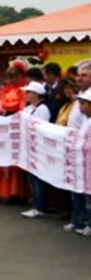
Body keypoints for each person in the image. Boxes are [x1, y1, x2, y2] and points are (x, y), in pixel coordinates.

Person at [0, 61, 29, 202]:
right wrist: (3, 110)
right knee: (4, 157)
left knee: (15, 159)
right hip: (5, 126)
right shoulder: (6, 90)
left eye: (14, 77)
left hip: (16, 126)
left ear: (21, 76)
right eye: (10, 77)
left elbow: (21, 107)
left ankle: (18, 192)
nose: (12, 80)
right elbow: (1, 105)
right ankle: (5, 192)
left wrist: (8, 109)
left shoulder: (23, 90)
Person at [20, 81, 51, 219]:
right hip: (29, 147)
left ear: (36, 94)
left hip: (38, 148)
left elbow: (40, 127)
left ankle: (40, 207)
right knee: (31, 178)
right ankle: (35, 204)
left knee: (37, 179)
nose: (26, 95)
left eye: (29, 92)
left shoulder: (42, 109)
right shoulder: (28, 108)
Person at [66, 89, 91, 236]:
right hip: (82, 164)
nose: (80, 106)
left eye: (84, 103)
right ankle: (80, 220)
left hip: (87, 164)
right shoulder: (86, 121)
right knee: (81, 195)